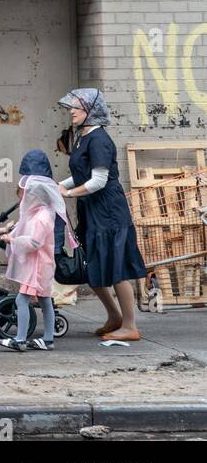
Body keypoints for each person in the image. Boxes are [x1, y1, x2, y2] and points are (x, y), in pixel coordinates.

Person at [57, 88, 147, 342]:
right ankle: (114, 317)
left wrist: (68, 193)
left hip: (108, 212)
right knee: (94, 266)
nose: (71, 111)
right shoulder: (82, 137)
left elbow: (98, 180)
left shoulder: (99, 140)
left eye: (76, 107)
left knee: (116, 269)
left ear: (91, 111)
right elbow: (83, 174)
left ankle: (130, 326)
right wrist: (61, 185)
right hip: (92, 210)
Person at [0, 160, 76, 351]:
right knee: (45, 300)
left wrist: (12, 241)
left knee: (21, 300)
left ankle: (20, 338)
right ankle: (48, 338)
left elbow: (34, 242)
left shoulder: (41, 217)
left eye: (22, 195)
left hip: (37, 267)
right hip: (42, 265)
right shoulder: (41, 213)